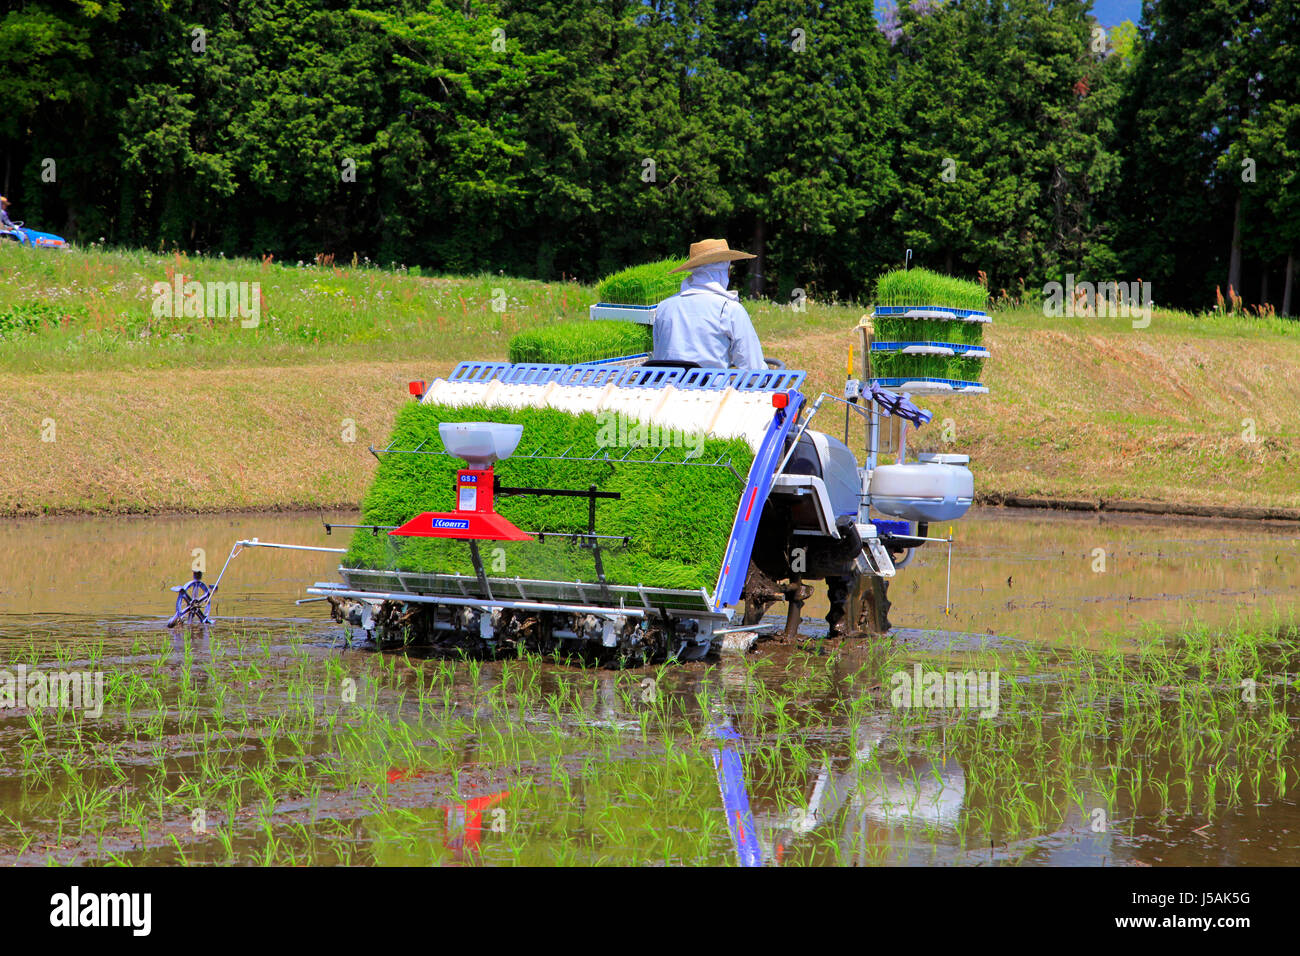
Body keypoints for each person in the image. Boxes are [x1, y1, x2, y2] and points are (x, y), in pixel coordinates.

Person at [652, 238, 766, 369]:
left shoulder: (664, 307)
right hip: (711, 388)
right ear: (724, 272)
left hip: (666, 387)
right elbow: (752, 367)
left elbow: (659, 354)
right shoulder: (728, 309)